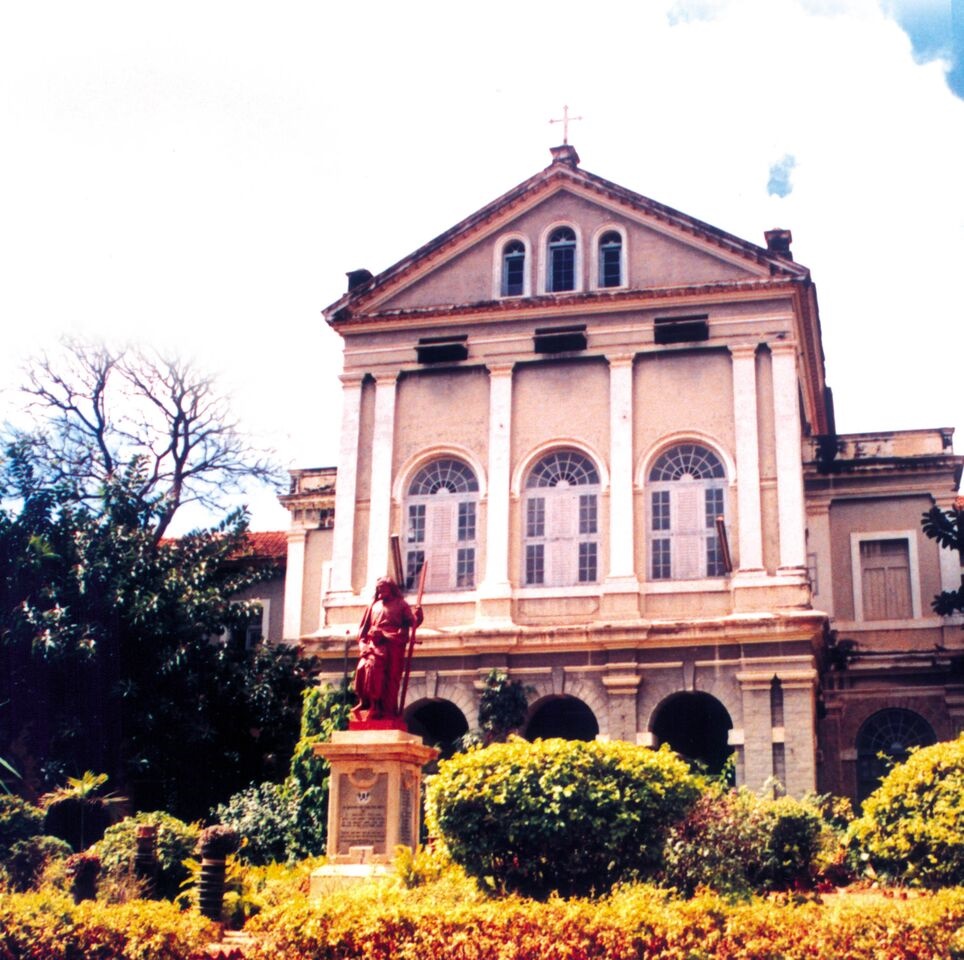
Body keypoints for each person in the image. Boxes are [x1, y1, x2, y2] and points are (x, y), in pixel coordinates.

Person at [352, 577, 423, 721]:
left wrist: (418, 616)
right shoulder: (373, 606)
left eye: (383, 588)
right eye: (378, 588)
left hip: (392, 646)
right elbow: (362, 632)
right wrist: (363, 645)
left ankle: (381, 709)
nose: (380, 591)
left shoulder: (401, 605)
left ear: (390, 588)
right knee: (362, 669)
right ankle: (365, 702)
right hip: (373, 645)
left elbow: (412, 623)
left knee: (385, 677)